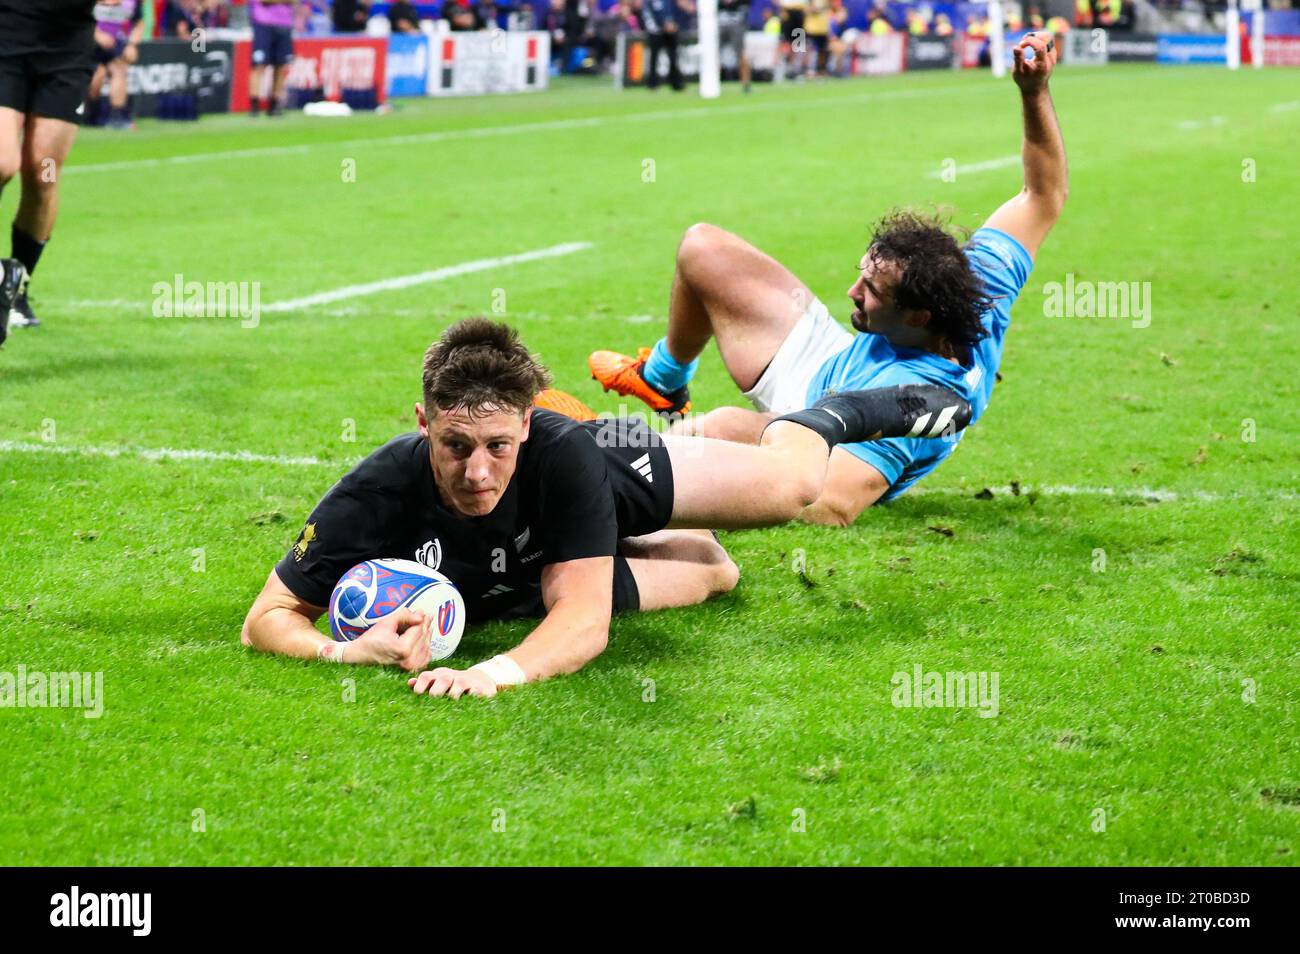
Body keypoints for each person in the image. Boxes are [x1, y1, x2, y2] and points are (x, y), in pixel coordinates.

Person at [242, 318, 971, 699]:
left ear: (525, 425)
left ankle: (829, 416)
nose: (476, 470)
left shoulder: (557, 449)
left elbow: (585, 626)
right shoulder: (376, 489)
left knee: (794, 490)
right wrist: (348, 649)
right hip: (523, 574)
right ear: (423, 424)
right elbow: (267, 620)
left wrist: (490, 675)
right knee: (715, 571)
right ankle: (701, 449)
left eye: (497, 444)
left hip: (608, 460)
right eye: (455, 444)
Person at [589, 33, 1067, 526]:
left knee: (722, 427)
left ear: (919, 315)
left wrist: (726, 458)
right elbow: (1042, 195)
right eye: (863, 274)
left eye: (872, 291)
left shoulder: (915, 400)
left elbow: (830, 504)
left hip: (822, 415)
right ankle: (662, 382)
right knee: (703, 246)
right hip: (835, 359)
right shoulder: (982, 276)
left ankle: (601, 467)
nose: (851, 293)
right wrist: (1034, 93)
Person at [0, 0, 104, 341]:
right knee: (3, 163)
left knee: (43, 172)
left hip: (65, 55)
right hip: (7, 38)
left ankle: (16, 288)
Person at [88, 0, 145, 130]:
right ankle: (92, 114)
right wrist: (97, 34)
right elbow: (79, 17)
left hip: (114, 43)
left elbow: (138, 22)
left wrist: (132, 44)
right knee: (98, 75)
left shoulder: (134, 3)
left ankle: (117, 117)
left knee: (119, 70)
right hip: (89, 43)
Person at [249, 1, 298, 117]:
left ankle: (274, 103)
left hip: (284, 23)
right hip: (263, 23)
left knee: (280, 65)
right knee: (259, 64)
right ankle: (254, 104)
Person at [641, 0, 685, 92]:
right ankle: (652, 83)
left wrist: (675, 24)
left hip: (671, 31)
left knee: (673, 57)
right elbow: (649, 13)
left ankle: (676, 83)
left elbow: (675, 10)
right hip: (655, 32)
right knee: (654, 58)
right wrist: (662, 25)